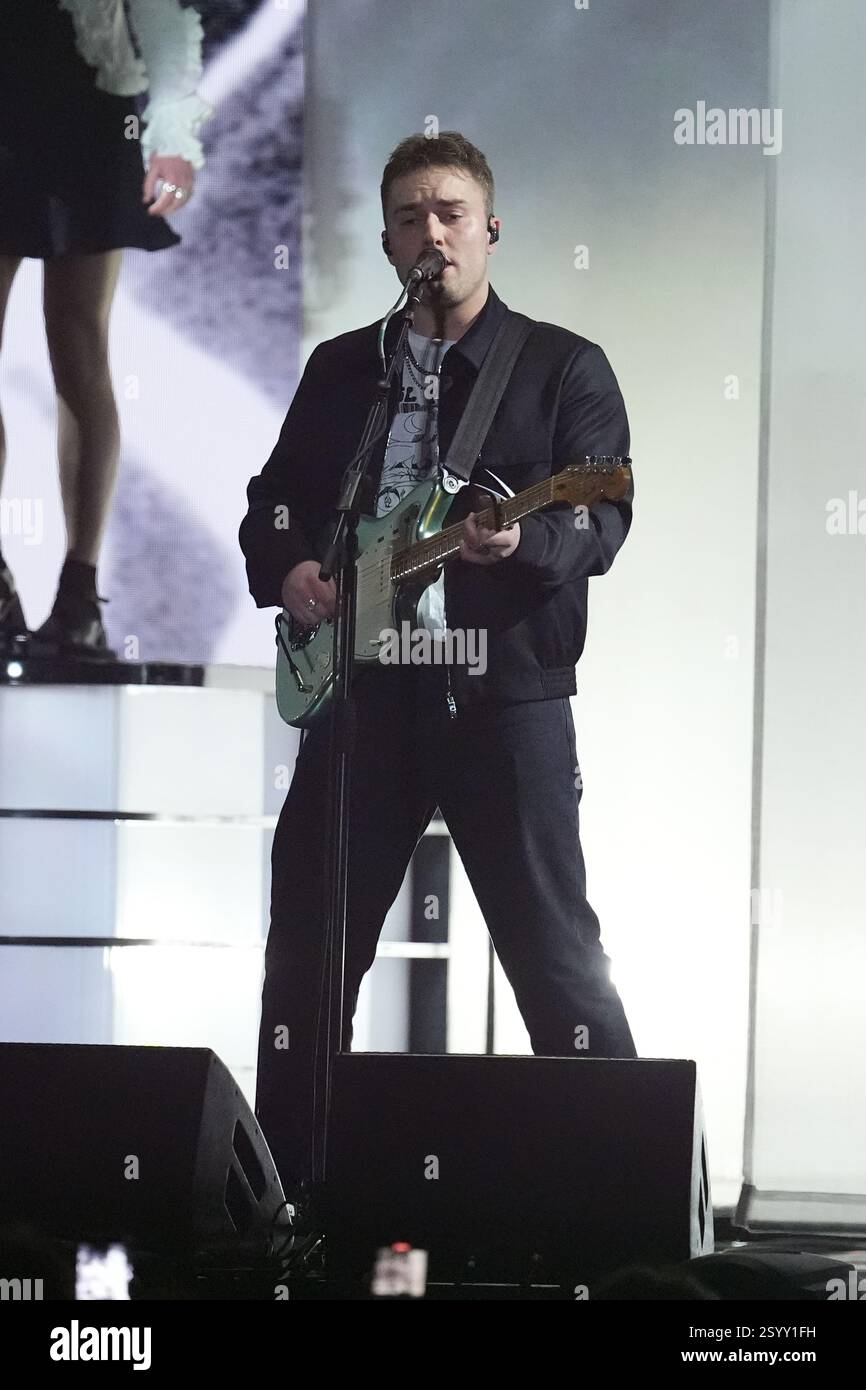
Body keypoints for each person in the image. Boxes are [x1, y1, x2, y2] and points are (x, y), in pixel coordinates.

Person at [239, 131, 638, 1200]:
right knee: (307, 955)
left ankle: (622, 1206)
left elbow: (601, 516)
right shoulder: (343, 372)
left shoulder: (561, 365)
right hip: (365, 698)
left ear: (489, 228)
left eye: (452, 211)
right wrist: (289, 572)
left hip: (497, 696)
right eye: (412, 215)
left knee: (553, 958)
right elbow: (270, 501)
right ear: (386, 239)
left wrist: (526, 542)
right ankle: (286, 1200)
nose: (434, 232)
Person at [0, 0, 211, 657]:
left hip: (87, 103)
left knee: (78, 347)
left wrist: (175, 134)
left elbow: (163, 12)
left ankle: (79, 592)